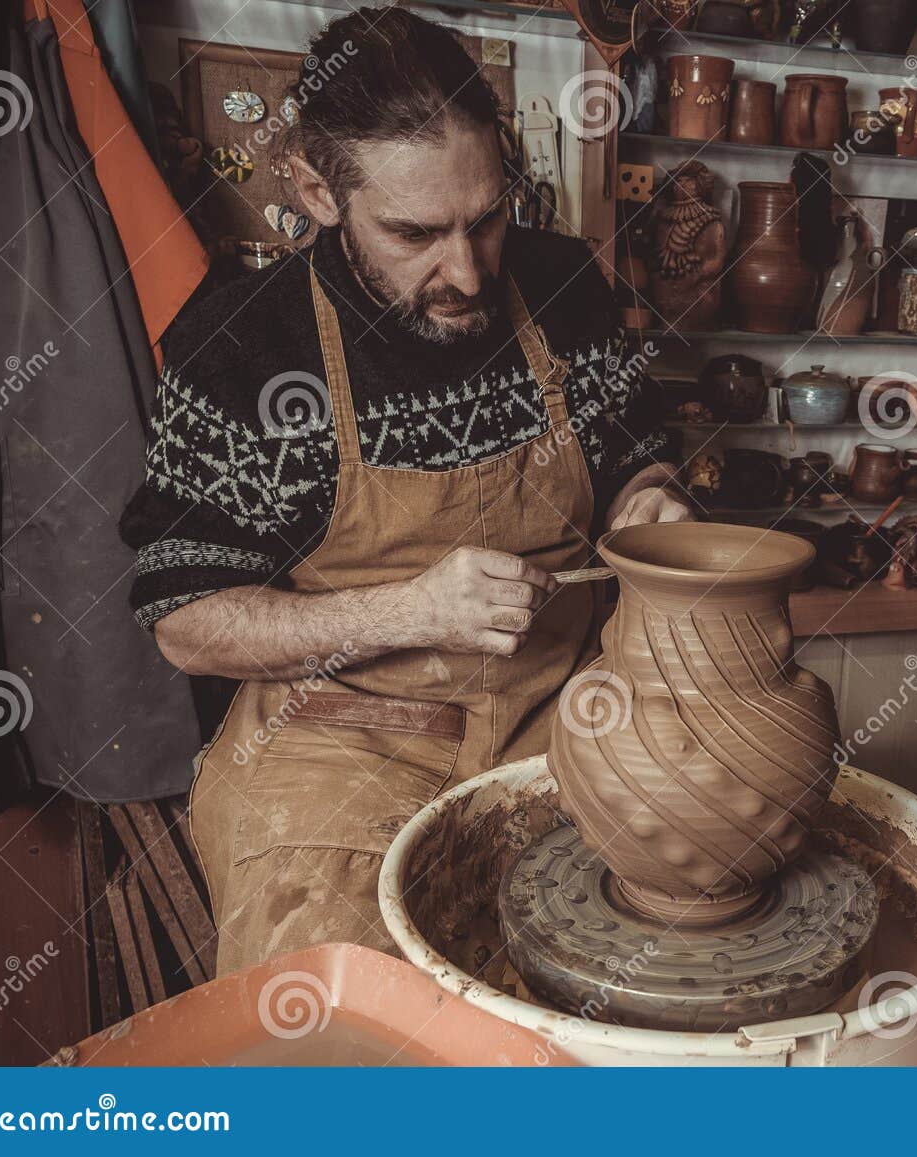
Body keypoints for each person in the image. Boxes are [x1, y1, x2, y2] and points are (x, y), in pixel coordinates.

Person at [120, 7, 690, 974]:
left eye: (488, 219)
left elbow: (638, 452)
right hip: (340, 743)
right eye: (415, 233)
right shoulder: (243, 346)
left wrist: (651, 500)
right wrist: (410, 609)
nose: (466, 272)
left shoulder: (561, 285)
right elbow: (186, 620)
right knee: (338, 1020)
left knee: (660, 946)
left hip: (562, 715)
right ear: (316, 190)